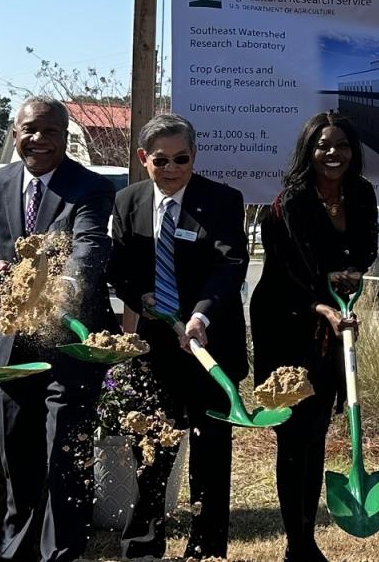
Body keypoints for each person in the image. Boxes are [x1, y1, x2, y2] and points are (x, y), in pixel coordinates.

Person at [0, 97, 117, 562]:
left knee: (65, 458)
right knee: (18, 456)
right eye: (30, 129)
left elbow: (89, 247)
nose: (39, 139)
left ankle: (62, 553)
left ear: (65, 136)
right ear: (15, 133)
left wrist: (60, 286)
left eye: (51, 131)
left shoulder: (89, 188)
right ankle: (16, 551)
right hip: (11, 347)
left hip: (69, 345)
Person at [106, 113, 249, 559]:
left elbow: (230, 265)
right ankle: (144, 542)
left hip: (209, 343)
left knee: (210, 451)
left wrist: (201, 317)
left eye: (181, 159)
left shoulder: (222, 200)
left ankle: (206, 547)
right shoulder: (128, 201)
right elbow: (119, 270)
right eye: (161, 160)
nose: (171, 169)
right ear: (143, 158)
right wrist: (139, 294)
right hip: (156, 349)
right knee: (151, 445)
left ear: (194, 156)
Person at [251, 111, 378, 562]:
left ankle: (305, 538)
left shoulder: (361, 194)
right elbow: (288, 276)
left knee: (318, 430)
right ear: (309, 150)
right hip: (286, 323)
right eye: (323, 146)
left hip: (330, 326)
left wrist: (351, 276)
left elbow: (365, 249)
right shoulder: (289, 205)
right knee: (294, 432)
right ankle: (298, 543)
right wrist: (323, 304)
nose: (332, 153)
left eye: (341, 145)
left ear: (353, 152)